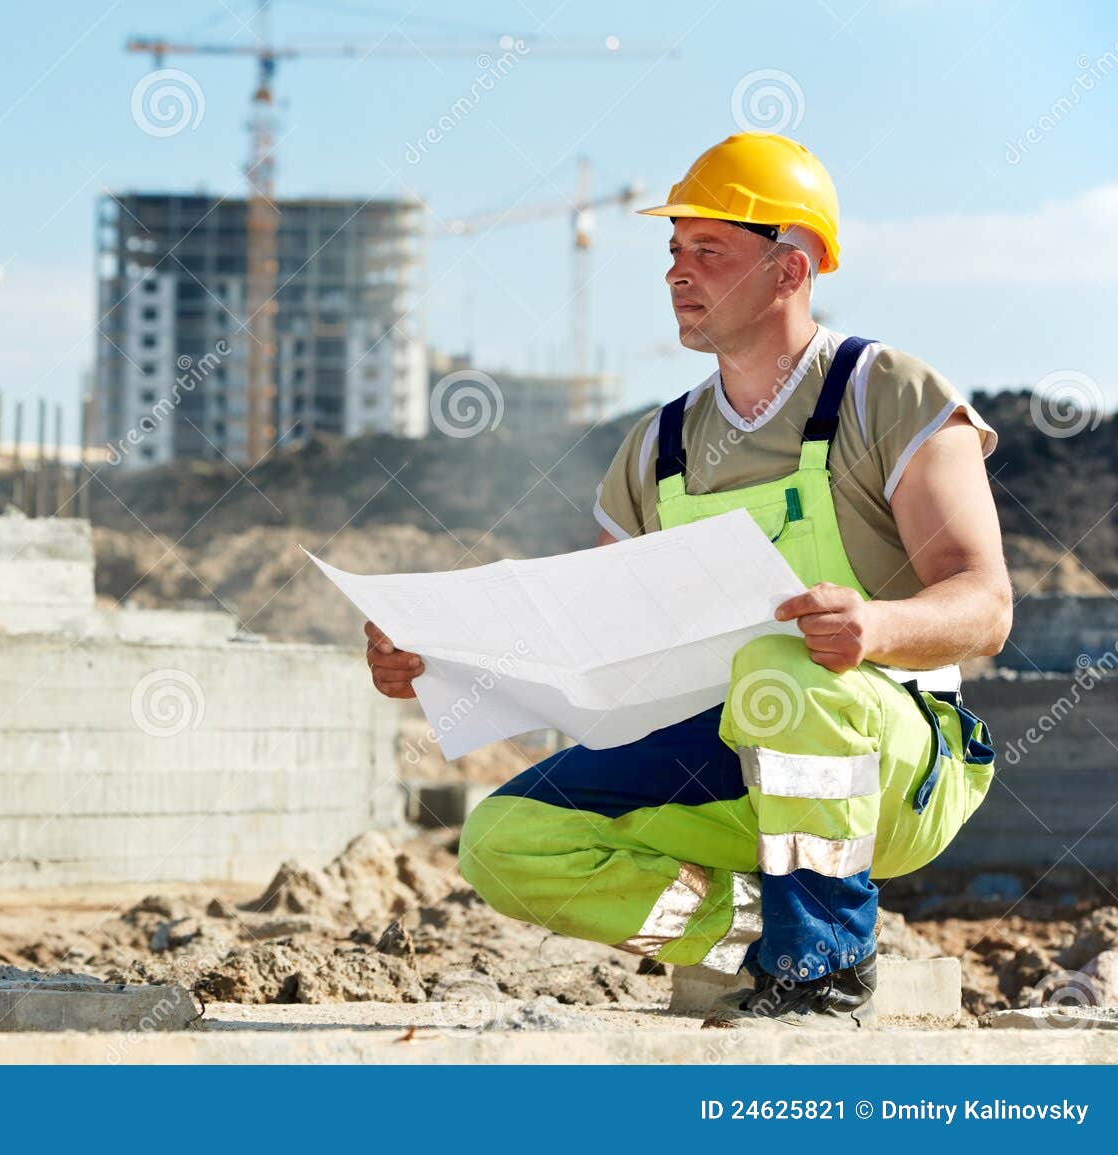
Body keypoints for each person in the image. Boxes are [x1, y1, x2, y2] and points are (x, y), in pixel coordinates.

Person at [363, 131, 1010, 1027]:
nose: (677, 270)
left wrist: (875, 627)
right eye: (674, 249)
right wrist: (438, 659)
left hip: (893, 760)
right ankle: (767, 931)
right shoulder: (656, 449)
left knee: (782, 672)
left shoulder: (883, 393)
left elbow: (985, 603)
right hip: (730, 765)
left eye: (709, 249)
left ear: (790, 271)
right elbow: (593, 646)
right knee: (506, 839)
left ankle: (823, 963)